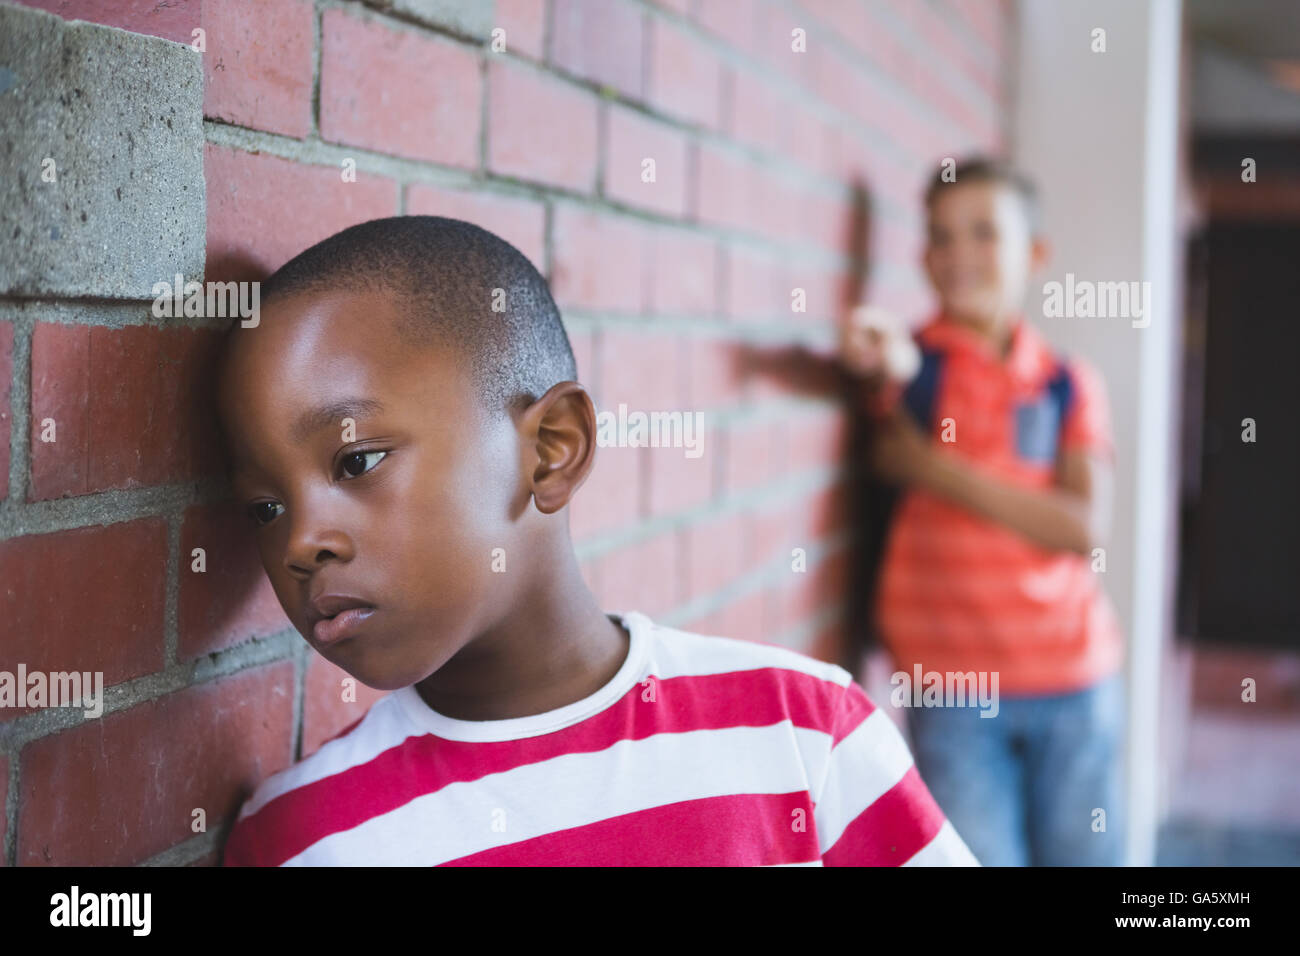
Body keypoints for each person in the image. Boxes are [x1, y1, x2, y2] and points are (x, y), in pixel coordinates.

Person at [216, 215, 978, 866]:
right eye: (264, 507)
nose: (301, 541)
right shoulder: (302, 840)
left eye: (357, 461)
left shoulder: (804, 733)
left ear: (553, 447)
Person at [840, 158, 1126, 866]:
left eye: (982, 233)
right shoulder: (920, 367)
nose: (958, 254)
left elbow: (1082, 525)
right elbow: (883, 366)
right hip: (954, 695)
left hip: (1075, 681)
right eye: (941, 237)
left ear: (1033, 254)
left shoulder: (1066, 383)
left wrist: (932, 469)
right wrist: (873, 352)